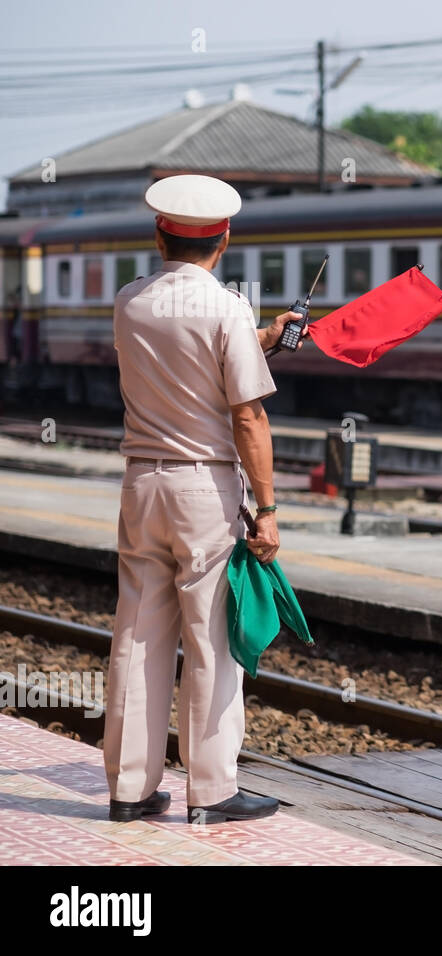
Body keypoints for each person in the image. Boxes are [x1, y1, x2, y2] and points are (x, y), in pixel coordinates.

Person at [104, 174, 298, 825]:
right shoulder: (226, 311)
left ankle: (130, 788)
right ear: (226, 238)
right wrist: (267, 510)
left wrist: (263, 336)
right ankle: (212, 790)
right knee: (211, 637)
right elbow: (248, 418)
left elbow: (180, 361)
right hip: (203, 490)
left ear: (160, 235)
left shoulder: (129, 302)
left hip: (141, 484)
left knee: (136, 634)